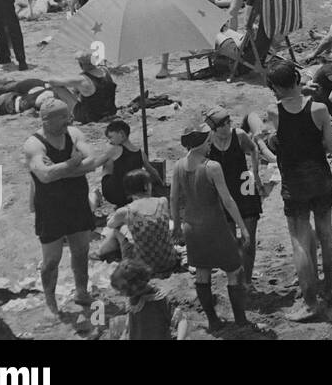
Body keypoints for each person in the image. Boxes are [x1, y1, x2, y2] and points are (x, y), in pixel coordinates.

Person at [267, 61, 332, 320]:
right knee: (325, 232)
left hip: (294, 182)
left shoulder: (273, 112)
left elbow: (279, 137)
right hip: (320, 177)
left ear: (275, 86)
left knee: (299, 241)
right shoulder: (319, 109)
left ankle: (310, 301)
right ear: (297, 79)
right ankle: (329, 288)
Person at [22, 97, 104, 320]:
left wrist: (62, 170)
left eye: (68, 116)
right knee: (51, 260)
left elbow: (93, 161)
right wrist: (72, 163)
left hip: (76, 202)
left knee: (81, 250)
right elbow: (45, 176)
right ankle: (50, 298)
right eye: (63, 118)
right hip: (50, 208)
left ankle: (81, 291)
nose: (68, 121)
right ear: (47, 120)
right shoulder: (34, 144)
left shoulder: (73, 134)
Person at [171, 121, 249, 332]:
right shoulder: (212, 167)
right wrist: (242, 226)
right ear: (203, 143)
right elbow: (228, 200)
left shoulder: (178, 166)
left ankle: (213, 320)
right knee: (234, 270)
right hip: (215, 225)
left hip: (191, 226)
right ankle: (241, 320)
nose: (210, 146)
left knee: (202, 273)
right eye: (208, 142)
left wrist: (177, 226)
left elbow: (174, 199)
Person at [204, 104, 263, 285]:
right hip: (223, 192)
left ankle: (247, 281)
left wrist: (255, 174)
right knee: (230, 241)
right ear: (214, 129)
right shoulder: (207, 142)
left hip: (244, 187)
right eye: (223, 125)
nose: (227, 127)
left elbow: (253, 149)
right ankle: (236, 277)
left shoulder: (239, 136)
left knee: (249, 241)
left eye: (228, 122)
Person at [95, 169, 178, 278]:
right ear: (147, 186)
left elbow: (110, 225)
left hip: (142, 267)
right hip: (169, 261)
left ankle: (100, 253)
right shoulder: (163, 201)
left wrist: (115, 218)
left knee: (117, 230)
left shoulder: (126, 211)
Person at [110, 260, 176, 340]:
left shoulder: (158, 299)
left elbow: (181, 320)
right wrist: (125, 333)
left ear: (135, 284)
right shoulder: (133, 299)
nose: (121, 293)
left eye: (122, 289)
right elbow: (132, 321)